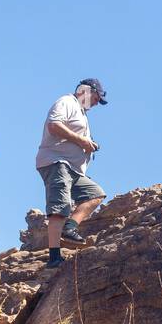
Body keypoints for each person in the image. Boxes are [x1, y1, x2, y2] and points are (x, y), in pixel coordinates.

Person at [35, 78, 107, 268]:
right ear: (85, 91)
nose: (96, 103)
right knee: (59, 209)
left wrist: (87, 144)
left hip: (73, 168)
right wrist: (82, 141)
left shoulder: (81, 112)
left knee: (95, 194)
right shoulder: (66, 102)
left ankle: (70, 228)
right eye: (96, 98)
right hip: (57, 162)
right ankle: (54, 258)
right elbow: (54, 125)